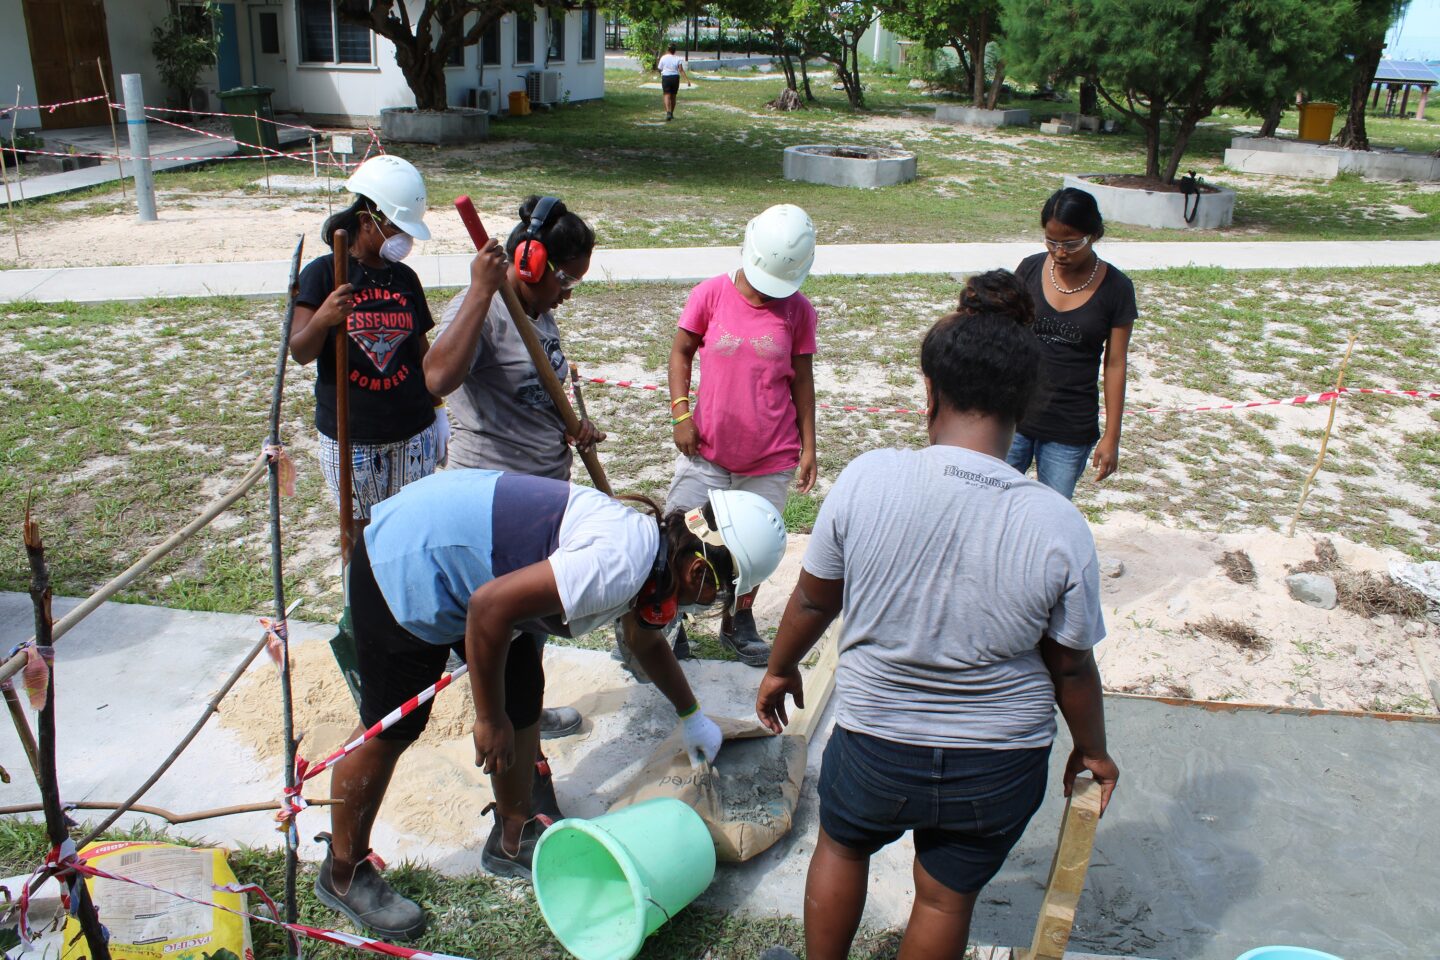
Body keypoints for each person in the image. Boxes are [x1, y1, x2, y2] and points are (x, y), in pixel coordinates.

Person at [755, 270, 1119, 960]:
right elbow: (1070, 662)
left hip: (877, 743)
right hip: (1000, 764)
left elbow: (811, 599)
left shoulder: (869, 478)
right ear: (1025, 406)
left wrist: (778, 669)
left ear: (930, 390)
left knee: (843, 845)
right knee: (946, 896)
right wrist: (1093, 749)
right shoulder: (1056, 522)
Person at [314, 469, 788, 940]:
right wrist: (488, 717)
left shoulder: (655, 556)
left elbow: (644, 642)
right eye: (719, 594)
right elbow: (488, 609)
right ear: (699, 570)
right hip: (408, 559)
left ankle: (512, 835)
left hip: (488, 572)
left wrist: (692, 715)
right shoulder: (618, 565)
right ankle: (343, 869)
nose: (713, 604)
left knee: (523, 696)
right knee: (395, 724)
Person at [424, 195, 602, 742]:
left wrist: (575, 425)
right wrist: (480, 290)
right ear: (529, 264)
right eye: (565, 283)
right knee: (509, 618)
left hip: (543, 490)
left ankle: (522, 705)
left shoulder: (537, 311)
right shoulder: (484, 309)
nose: (566, 298)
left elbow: (539, 387)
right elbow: (436, 378)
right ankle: (503, 716)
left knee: (533, 623)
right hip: (496, 496)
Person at [663, 203, 818, 667]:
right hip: (706, 452)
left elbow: (803, 382)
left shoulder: (799, 311)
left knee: (754, 549)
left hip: (770, 457)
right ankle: (670, 620)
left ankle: (737, 620)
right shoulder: (710, 295)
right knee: (679, 535)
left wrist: (809, 446)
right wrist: (680, 415)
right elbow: (680, 353)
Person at [289, 154, 445, 539]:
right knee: (360, 535)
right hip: (353, 437)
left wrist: (439, 411)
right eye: (396, 227)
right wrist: (325, 317)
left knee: (409, 530)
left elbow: (420, 352)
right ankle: (362, 599)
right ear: (366, 220)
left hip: (413, 431)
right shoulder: (324, 273)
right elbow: (300, 351)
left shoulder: (405, 277)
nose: (403, 239)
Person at [1006, 186, 1137, 500]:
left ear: (1093, 234)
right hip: (1013, 418)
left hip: (1069, 426)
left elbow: (1116, 363)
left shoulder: (1117, 288)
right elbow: (1002, 336)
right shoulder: (1029, 268)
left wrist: (1112, 436)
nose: (1060, 252)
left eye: (1071, 243)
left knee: (1051, 514)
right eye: (1051, 241)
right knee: (990, 502)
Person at [656, 43, 691, 121]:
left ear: (668, 50)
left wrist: (661, 74)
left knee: (666, 95)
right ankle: (671, 113)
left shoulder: (663, 58)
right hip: (675, 78)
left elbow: (659, 68)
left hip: (666, 77)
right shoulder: (678, 58)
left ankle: (668, 112)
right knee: (673, 96)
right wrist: (687, 80)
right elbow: (681, 70)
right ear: (675, 51)